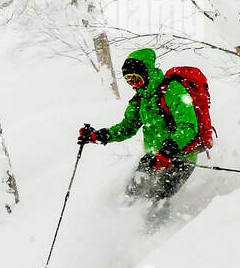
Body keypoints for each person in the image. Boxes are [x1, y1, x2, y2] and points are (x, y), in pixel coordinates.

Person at [79, 48, 200, 206]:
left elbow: (189, 126)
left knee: (157, 200)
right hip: (153, 157)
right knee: (131, 194)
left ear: (146, 73)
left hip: (180, 158)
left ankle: (161, 230)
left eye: (135, 79)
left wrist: (169, 150)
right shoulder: (140, 99)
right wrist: (101, 135)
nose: (133, 84)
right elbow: (128, 127)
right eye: (128, 80)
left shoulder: (172, 91)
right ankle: (122, 225)